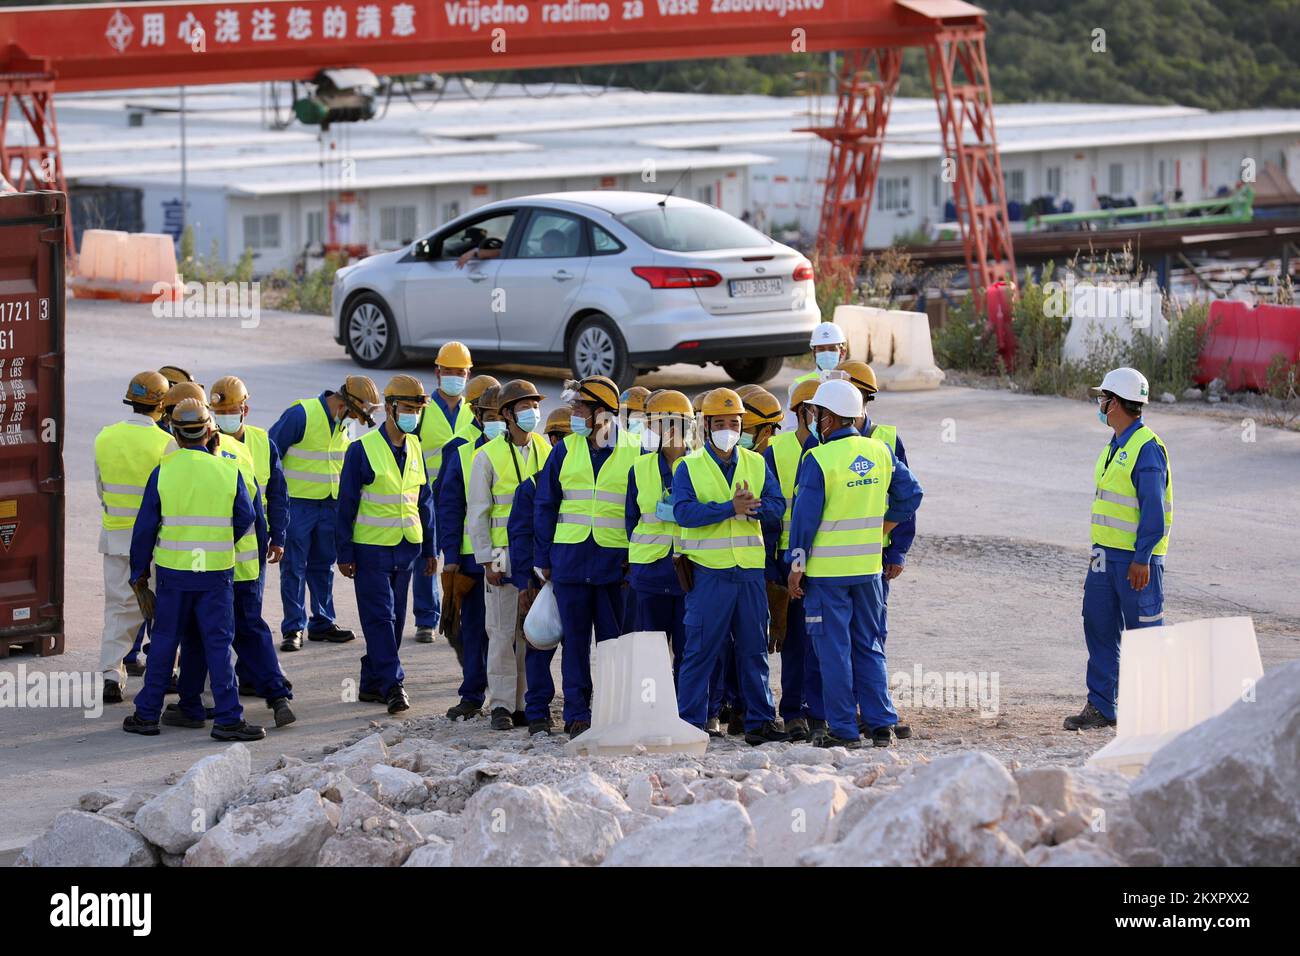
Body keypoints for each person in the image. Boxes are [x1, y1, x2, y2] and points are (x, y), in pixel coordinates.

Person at [786, 379, 923, 748]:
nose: (813, 420)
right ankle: (881, 725)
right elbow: (912, 493)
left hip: (828, 575)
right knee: (869, 645)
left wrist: (795, 566)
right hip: (868, 572)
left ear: (828, 419)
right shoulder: (879, 451)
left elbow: (803, 522)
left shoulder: (818, 459)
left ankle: (845, 730)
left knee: (833, 651)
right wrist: (885, 526)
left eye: (816, 413)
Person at [122, 398, 264, 741]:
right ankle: (228, 719)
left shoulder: (164, 470)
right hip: (215, 573)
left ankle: (146, 715)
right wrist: (218, 540)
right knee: (218, 644)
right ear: (210, 431)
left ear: (174, 431)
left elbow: (145, 529)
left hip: (175, 573)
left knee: (165, 643)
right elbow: (248, 516)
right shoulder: (228, 471)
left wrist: (139, 572)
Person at [672, 387, 790, 746]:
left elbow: (777, 507)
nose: (728, 428)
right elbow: (684, 513)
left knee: (753, 650)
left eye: (734, 422)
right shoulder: (689, 466)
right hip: (710, 575)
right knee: (700, 651)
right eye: (720, 423)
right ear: (707, 426)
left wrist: (753, 507)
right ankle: (689, 723)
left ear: (743, 426)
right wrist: (729, 508)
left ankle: (760, 721)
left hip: (750, 575)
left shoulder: (756, 463)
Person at [531, 375, 641, 738]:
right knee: (575, 644)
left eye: (580, 406)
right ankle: (577, 714)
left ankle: (611, 712)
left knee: (612, 645)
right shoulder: (565, 450)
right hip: (571, 562)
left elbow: (641, 509)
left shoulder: (635, 450)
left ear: (602, 412)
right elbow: (546, 505)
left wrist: (634, 556)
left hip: (615, 565)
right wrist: (543, 557)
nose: (573, 412)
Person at [1067, 367, 1172, 731]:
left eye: (1102, 398)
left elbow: (1154, 512)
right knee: (1098, 624)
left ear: (1114, 403)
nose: (1099, 404)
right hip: (1103, 556)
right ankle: (1101, 705)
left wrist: (1143, 558)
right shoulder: (1116, 445)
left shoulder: (1147, 450)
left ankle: (1151, 709)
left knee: (1144, 634)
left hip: (1135, 561)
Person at [336, 375, 437, 715]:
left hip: (407, 546)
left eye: (418, 410)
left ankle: (370, 684)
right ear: (391, 409)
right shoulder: (361, 450)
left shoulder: (416, 448)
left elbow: (424, 501)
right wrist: (344, 553)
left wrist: (429, 548)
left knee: (394, 619)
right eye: (408, 409)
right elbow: (345, 506)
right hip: (371, 549)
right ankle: (394, 684)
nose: (414, 416)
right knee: (379, 617)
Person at [203, 376, 295, 724]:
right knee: (240, 624)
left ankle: (256, 684)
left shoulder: (261, 443)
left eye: (231, 410)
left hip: (249, 550)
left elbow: (277, 495)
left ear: (245, 409)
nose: (226, 417)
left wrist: (278, 537)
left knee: (237, 622)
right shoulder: (209, 440)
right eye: (220, 411)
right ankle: (263, 686)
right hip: (223, 551)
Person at [835, 358, 918, 736]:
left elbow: (907, 497)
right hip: (836, 560)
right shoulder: (829, 437)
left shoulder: (886, 439)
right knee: (842, 638)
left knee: (871, 637)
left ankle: (875, 712)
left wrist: (896, 549)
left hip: (875, 558)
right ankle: (855, 710)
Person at [270, 376, 379, 651]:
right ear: (344, 404)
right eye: (355, 415)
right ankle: (293, 627)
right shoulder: (301, 414)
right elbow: (270, 453)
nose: (356, 421)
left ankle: (322, 621)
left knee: (323, 565)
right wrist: (273, 501)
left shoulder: (347, 424)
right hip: (297, 504)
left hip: (330, 505)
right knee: (294, 566)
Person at [468, 379, 551, 730]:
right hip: (502, 553)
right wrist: (487, 559)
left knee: (529, 631)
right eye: (523, 407)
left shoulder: (547, 450)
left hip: (533, 553)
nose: (532, 412)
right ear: (506, 415)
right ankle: (501, 704)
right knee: (501, 631)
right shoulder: (486, 455)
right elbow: (479, 512)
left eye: (534, 405)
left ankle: (523, 703)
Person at [94, 371, 175, 704]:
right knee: (162, 608)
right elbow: (171, 495)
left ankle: (111, 675)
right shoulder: (165, 443)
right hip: (155, 543)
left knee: (117, 609)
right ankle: (163, 672)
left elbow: (102, 490)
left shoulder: (105, 437)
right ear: (161, 405)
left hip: (115, 539)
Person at [437, 378, 501, 720]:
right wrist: (451, 559)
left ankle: (508, 697)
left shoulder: (521, 448)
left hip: (508, 556)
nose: (495, 420)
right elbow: (449, 507)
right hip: (473, 559)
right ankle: (473, 693)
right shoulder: (460, 450)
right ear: (476, 414)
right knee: (474, 629)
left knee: (508, 632)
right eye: (488, 413)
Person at [764, 377, 824, 740]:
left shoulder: (833, 448)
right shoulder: (777, 449)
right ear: (802, 412)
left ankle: (820, 711)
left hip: (826, 557)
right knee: (793, 640)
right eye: (817, 410)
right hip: (788, 557)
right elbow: (771, 510)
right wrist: (774, 567)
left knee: (822, 639)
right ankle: (792, 712)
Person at [625, 390, 693, 683]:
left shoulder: (701, 466)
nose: (645, 431)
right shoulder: (639, 468)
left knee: (689, 651)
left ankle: (687, 715)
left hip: (690, 572)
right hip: (650, 572)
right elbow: (632, 520)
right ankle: (650, 711)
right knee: (650, 655)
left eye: (651, 423)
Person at [512, 406, 572, 735]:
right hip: (542, 581)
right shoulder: (531, 488)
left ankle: (578, 709)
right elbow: (520, 538)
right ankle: (537, 711)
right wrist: (526, 583)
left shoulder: (581, 485)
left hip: (577, 577)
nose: (563, 442)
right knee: (539, 647)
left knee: (576, 649)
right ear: (549, 440)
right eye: (558, 436)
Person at [413, 341, 477, 643]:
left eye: (460, 372)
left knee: (458, 557)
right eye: (449, 371)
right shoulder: (422, 411)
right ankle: (427, 619)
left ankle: (458, 617)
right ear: (437, 372)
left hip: (458, 499)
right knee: (427, 559)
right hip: (424, 497)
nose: (455, 378)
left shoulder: (473, 410)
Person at [792, 322, 849, 387]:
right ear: (814, 352)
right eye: (821, 349)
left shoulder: (851, 383)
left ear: (842, 352)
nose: (827, 354)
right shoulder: (799, 384)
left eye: (832, 349)